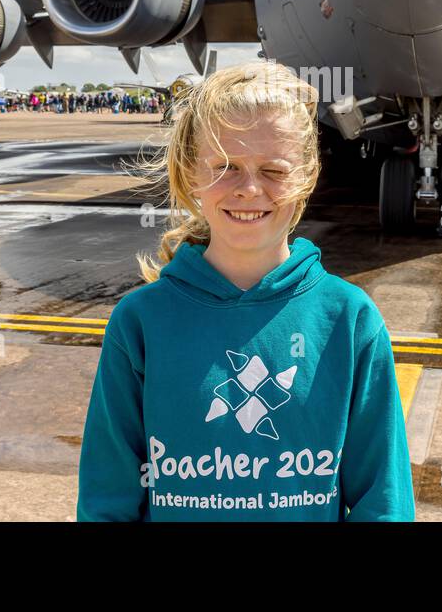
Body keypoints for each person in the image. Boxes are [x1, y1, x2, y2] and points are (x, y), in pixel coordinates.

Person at [76, 61, 414, 522]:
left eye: (274, 170)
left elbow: (384, 502)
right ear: (190, 173)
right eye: (225, 168)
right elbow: (106, 500)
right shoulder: (140, 322)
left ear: (307, 176)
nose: (249, 189)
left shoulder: (349, 319)